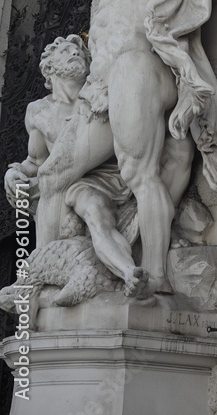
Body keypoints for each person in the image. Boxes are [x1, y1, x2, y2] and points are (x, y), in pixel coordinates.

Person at [33, 0, 217, 295]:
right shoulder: (101, 3)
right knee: (51, 178)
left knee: (141, 176)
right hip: (99, 97)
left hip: (138, 77)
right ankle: (40, 282)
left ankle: (155, 276)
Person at [4, 35, 147, 296]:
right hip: (67, 186)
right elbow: (35, 162)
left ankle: (129, 272)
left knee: (96, 213)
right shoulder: (37, 111)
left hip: (103, 177)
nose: (75, 54)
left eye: (79, 52)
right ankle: (42, 276)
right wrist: (14, 173)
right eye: (66, 51)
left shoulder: (96, 97)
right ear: (48, 67)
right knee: (69, 193)